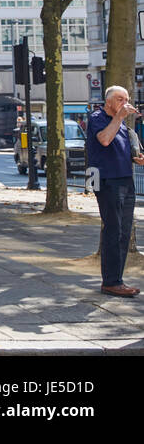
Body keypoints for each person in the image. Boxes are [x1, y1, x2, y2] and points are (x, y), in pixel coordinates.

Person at [87, 85, 144, 297]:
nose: (124, 103)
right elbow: (104, 139)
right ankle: (111, 281)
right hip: (105, 179)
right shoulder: (98, 118)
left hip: (125, 179)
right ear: (108, 101)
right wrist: (119, 117)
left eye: (127, 99)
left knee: (124, 230)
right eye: (120, 99)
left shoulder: (123, 126)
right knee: (113, 228)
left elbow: (122, 150)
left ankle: (116, 279)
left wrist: (137, 158)